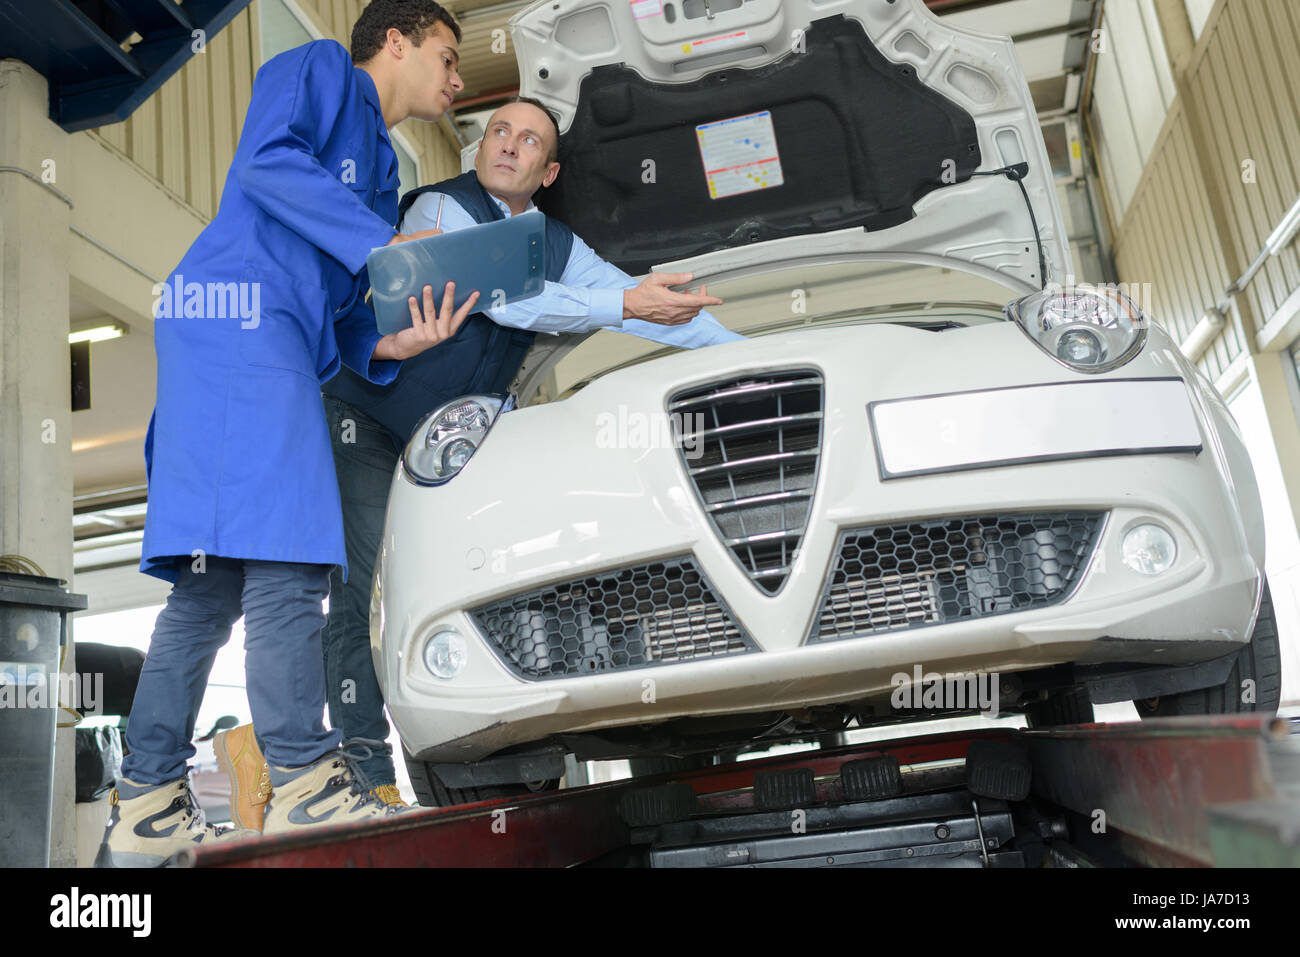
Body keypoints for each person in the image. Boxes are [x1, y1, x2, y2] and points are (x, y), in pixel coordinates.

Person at [97, 0, 473, 868]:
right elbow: (266, 163)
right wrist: (390, 251)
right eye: (447, 58)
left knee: (210, 582)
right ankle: (304, 780)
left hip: (266, 338)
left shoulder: (382, 171)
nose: (457, 82)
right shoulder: (315, 74)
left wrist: (391, 338)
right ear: (395, 41)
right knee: (290, 561)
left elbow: (341, 316)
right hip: (235, 315)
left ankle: (144, 802)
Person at [318, 96, 742, 802]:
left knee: (470, 578)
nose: (508, 145)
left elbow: (646, 306)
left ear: (547, 172)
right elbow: (505, 301)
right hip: (368, 417)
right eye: (499, 132)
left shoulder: (557, 242)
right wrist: (629, 303)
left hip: (455, 437)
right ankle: (365, 773)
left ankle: (484, 749)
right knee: (360, 593)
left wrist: (750, 354)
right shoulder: (435, 211)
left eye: (529, 140)